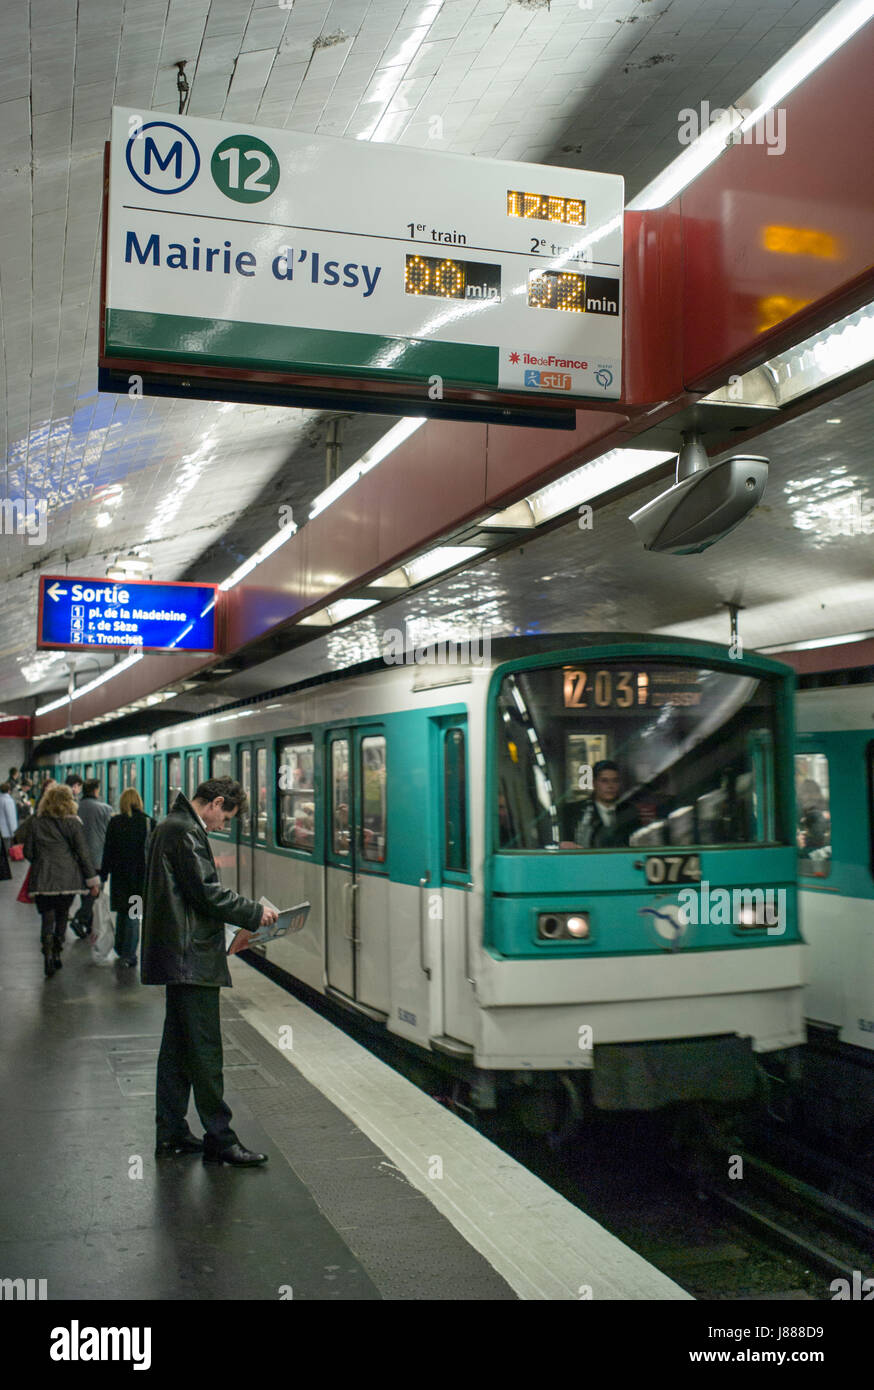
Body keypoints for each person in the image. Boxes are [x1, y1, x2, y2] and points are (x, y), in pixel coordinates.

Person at [141, 777, 277, 1165]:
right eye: (225, 819)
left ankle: (170, 1132)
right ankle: (220, 1138)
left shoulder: (170, 826)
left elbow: (187, 897)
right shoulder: (185, 831)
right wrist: (254, 912)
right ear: (216, 803)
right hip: (191, 959)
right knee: (204, 1051)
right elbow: (205, 891)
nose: (222, 827)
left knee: (177, 1051)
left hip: (181, 954)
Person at [21, 783, 100, 978]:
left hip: (42, 878)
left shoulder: (35, 822)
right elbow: (83, 853)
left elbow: (27, 852)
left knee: (47, 916)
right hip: (68, 878)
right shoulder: (73, 823)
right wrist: (92, 881)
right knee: (63, 914)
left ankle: (47, 953)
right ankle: (57, 951)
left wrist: (41, 862)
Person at [101, 787, 155, 968]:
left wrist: (102, 876)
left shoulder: (115, 822)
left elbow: (107, 851)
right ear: (139, 802)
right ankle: (129, 954)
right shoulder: (149, 823)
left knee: (122, 913)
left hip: (119, 878)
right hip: (140, 879)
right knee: (134, 915)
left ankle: (120, 948)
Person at [70, 779, 113, 939]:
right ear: (96, 790)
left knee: (85, 892)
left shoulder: (74, 808)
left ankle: (88, 926)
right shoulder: (105, 809)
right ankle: (80, 919)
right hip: (97, 859)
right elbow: (109, 834)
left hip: (77, 859)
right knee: (95, 892)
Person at [561, 760, 638, 849]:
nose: (610, 786)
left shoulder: (629, 812)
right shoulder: (574, 811)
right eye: (604, 781)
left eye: (615, 781)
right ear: (594, 783)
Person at [0, 781, 17, 853]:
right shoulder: (8, 801)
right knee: (6, 853)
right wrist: (14, 833)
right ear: (9, 791)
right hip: (6, 832)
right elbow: (11, 818)